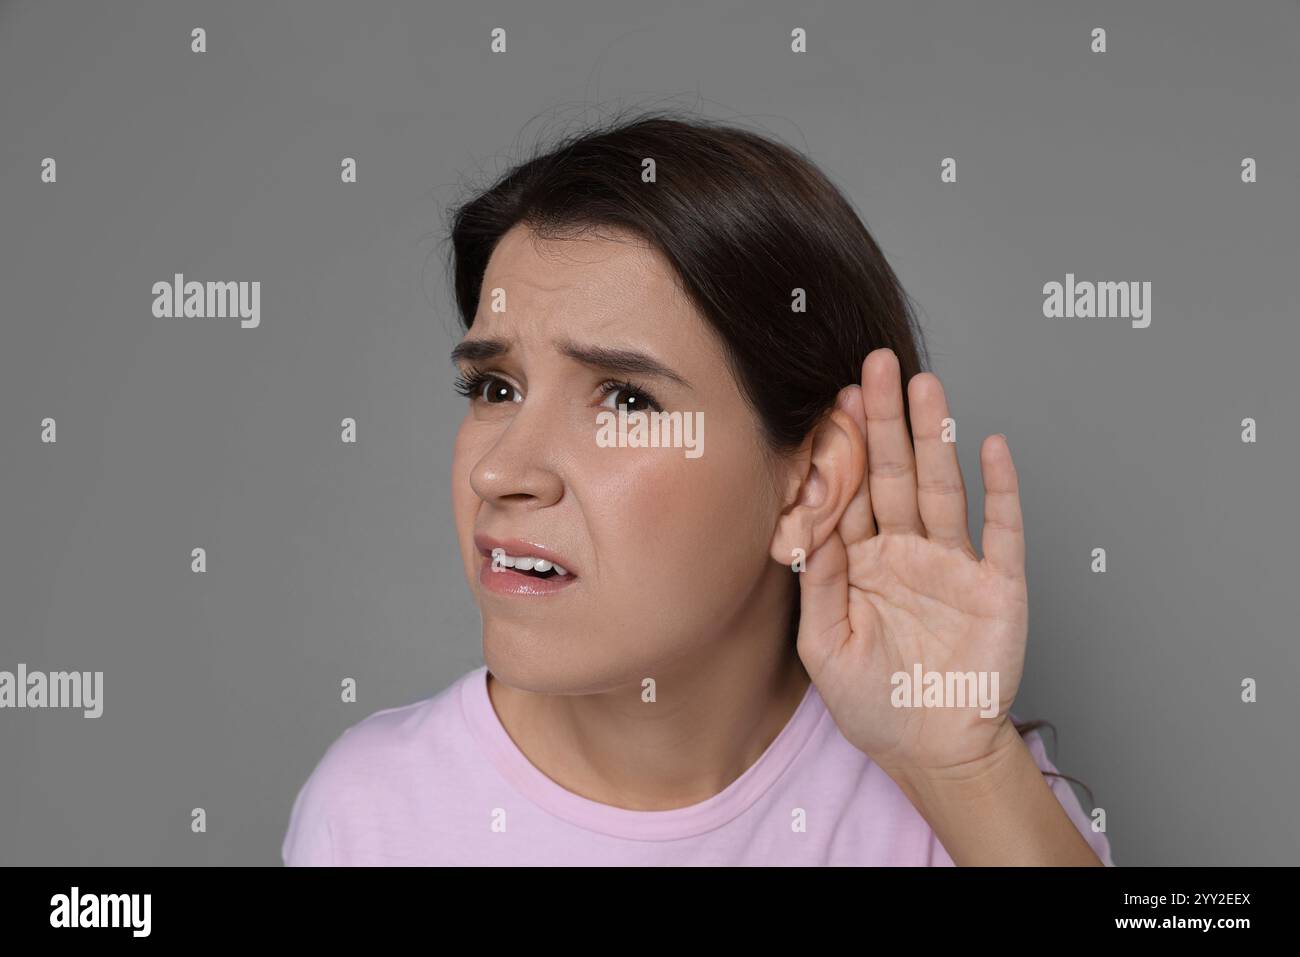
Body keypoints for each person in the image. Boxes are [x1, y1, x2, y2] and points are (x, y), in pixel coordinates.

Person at [282, 110, 1114, 866]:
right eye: (496, 388)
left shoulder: (957, 796)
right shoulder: (372, 817)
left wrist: (962, 771)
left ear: (810, 485)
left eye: (624, 398)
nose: (500, 471)